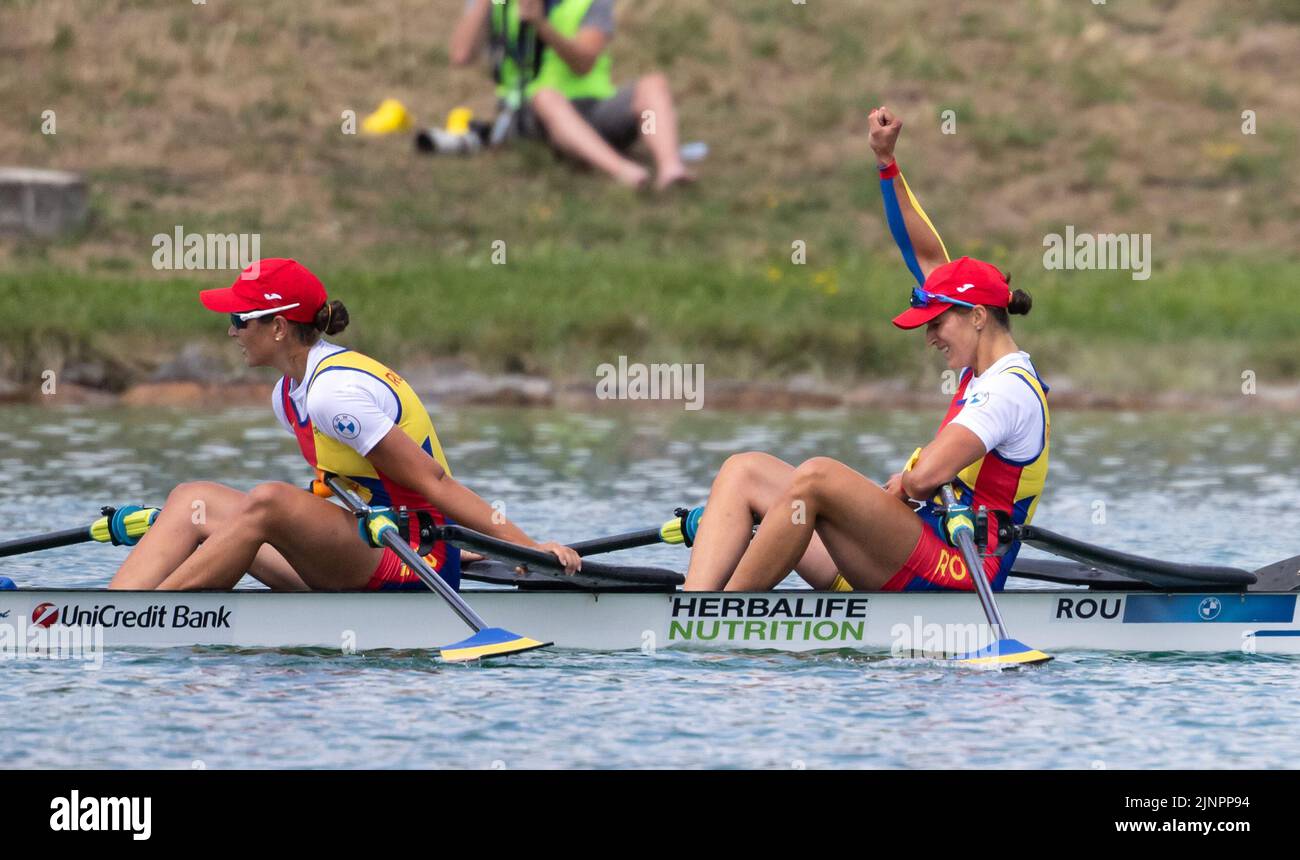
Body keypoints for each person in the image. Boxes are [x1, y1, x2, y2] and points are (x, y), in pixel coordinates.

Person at [682, 107, 1049, 593]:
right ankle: (690, 608)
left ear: (978, 316)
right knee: (744, 471)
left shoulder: (1008, 391)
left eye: (937, 324)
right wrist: (886, 163)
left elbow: (926, 479)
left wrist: (905, 480)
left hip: (958, 574)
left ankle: (721, 617)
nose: (930, 337)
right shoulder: (979, 359)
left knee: (817, 477)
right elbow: (925, 254)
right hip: (917, 551)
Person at [109, 258, 580, 591]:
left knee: (269, 500)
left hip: (416, 561)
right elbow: (345, 494)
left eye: (240, 319)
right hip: (368, 546)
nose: (231, 331)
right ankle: (112, 615)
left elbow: (435, 483)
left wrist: (527, 550)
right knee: (194, 499)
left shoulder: (333, 394)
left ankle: (152, 617)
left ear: (278, 327)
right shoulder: (288, 394)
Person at [449, 0, 693, 189]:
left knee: (653, 86)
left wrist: (541, 25)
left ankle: (670, 167)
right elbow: (461, 55)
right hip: (533, 113)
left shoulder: (587, 2)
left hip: (596, 108)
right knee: (546, 98)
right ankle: (620, 170)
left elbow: (583, 62)